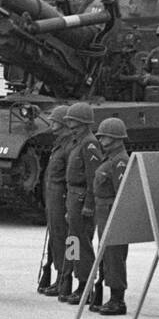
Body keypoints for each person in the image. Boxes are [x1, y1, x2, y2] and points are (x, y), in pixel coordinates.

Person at [62, 101, 102, 305]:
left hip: (81, 199)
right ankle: (72, 277)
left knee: (82, 243)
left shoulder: (89, 144)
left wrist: (89, 204)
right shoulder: (79, 142)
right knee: (73, 241)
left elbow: (93, 177)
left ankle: (85, 284)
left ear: (84, 124)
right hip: (73, 197)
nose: (71, 127)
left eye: (74, 123)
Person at [92, 118, 130, 316]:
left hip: (112, 211)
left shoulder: (120, 161)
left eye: (104, 135)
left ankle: (117, 300)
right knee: (106, 254)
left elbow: (122, 192)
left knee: (114, 255)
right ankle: (108, 293)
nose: (100, 138)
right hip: (103, 210)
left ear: (115, 138)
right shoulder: (109, 158)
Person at [40, 105, 73, 297]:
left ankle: (64, 277)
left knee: (62, 238)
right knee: (56, 238)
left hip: (60, 199)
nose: (50, 122)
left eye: (54, 120)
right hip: (53, 198)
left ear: (62, 123)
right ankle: (60, 275)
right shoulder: (61, 143)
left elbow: (71, 176)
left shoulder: (69, 146)